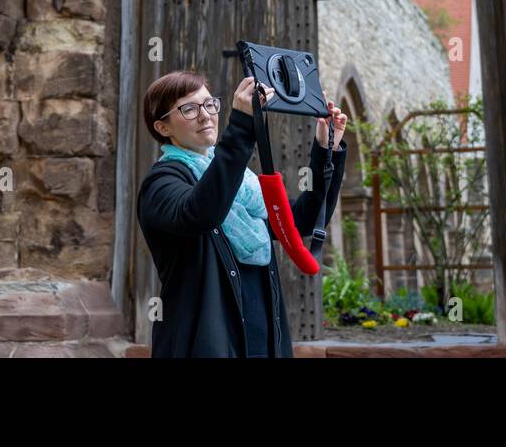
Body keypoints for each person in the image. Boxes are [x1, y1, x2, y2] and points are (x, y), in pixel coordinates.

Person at [136, 69, 348, 358]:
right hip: (204, 346)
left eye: (209, 104)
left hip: (262, 342)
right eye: (188, 108)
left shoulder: (243, 185)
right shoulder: (161, 184)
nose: (205, 115)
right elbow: (202, 212)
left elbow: (300, 221)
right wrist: (242, 124)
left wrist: (326, 149)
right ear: (163, 128)